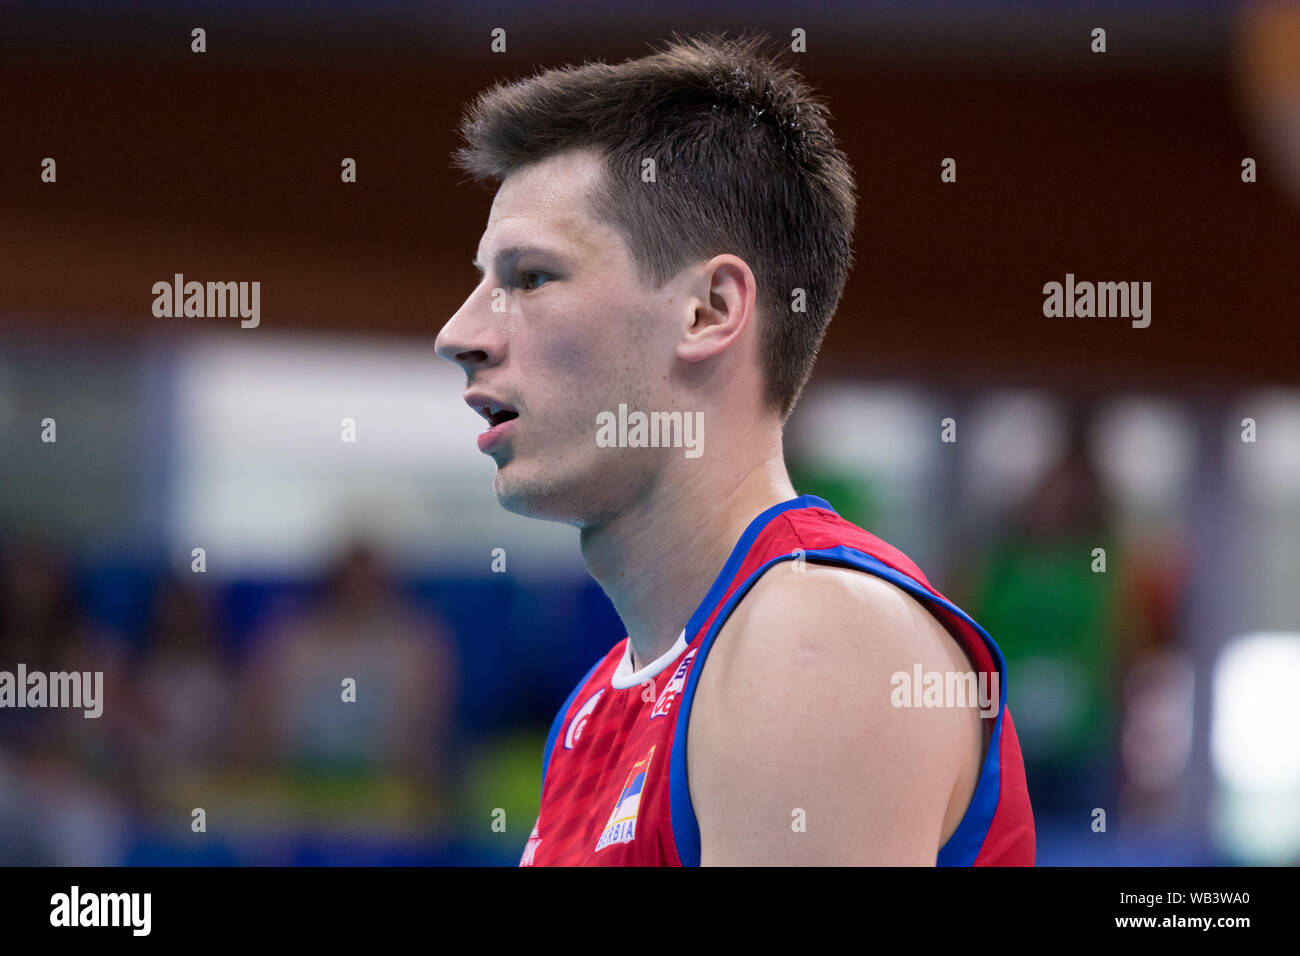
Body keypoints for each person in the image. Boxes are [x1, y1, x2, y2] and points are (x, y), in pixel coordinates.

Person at [435, 32, 1034, 865]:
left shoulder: (815, 642)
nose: (458, 334)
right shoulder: (599, 704)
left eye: (530, 278)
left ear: (709, 311)